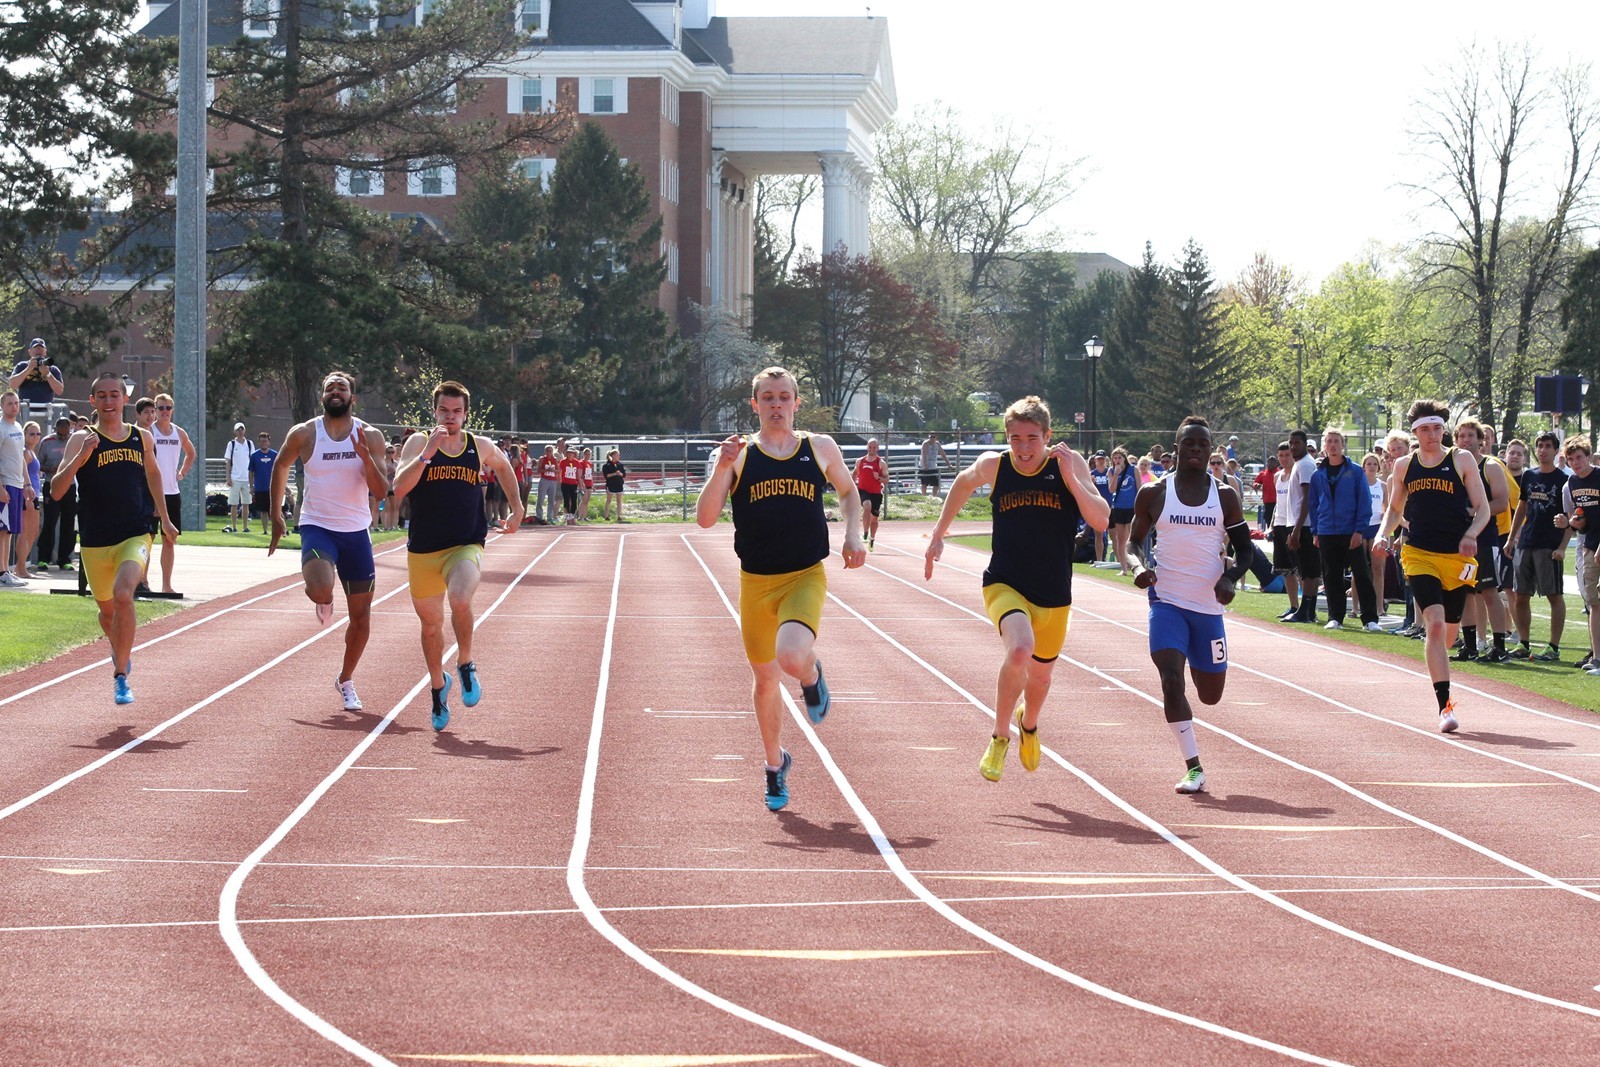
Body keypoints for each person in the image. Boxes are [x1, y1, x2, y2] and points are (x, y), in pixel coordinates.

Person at [695, 366, 866, 811]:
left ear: (796, 402)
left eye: (783, 397)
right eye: (767, 398)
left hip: (805, 574)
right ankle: (775, 766)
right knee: (765, 679)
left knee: (791, 656)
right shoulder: (738, 455)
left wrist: (853, 534)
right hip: (755, 582)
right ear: (754, 405)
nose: (776, 405)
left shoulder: (819, 448)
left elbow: (849, 494)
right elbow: (706, 518)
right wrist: (723, 469)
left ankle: (811, 675)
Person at [924, 396, 1109, 782]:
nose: (1024, 448)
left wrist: (1071, 478)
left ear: (1047, 436)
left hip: (1054, 592)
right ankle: (999, 735)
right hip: (1004, 582)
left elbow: (1101, 520)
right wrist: (939, 534)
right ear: (1006, 437)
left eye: (1032, 438)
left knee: (1040, 679)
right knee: (1020, 647)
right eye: (1016, 438)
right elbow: (962, 482)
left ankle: (1029, 722)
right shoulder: (997, 464)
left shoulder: (1068, 463)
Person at [1116, 416, 1257, 794]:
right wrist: (1138, 567)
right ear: (1175, 448)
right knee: (1170, 679)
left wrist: (1230, 577)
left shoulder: (1224, 495)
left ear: (1211, 451)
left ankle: (1201, 671)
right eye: (1189, 444)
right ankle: (1194, 767)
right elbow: (1133, 543)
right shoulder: (1155, 493)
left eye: (1203, 445)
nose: (1196, 449)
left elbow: (1246, 549)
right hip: (1167, 601)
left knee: (1210, 696)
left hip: (1208, 608)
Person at [393, 381, 524, 731]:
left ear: (465, 414)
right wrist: (426, 454)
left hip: (465, 543)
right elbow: (399, 487)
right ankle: (438, 686)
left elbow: (504, 466)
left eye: (456, 412)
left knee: (461, 598)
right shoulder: (419, 443)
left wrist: (517, 507)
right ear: (434, 411)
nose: (450, 418)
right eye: (443, 411)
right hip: (423, 549)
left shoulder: (477, 446)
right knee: (431, 627)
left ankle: (465, 662)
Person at [48, 373, 178, 703]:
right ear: (93, 401)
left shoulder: (142, 437)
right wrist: (80, 458)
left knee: (124, 594)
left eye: (114, 395)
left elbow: (153, 474)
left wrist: (164, 518)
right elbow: (57, 490)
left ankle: (120, 674)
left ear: (124, 400)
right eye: (102, 396)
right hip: (94, 538)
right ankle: (120, 650)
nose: (109, 401)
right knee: (107, 614)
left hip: (135, 532)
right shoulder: (82, 438)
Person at [267, 371, 391, 712]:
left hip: (355, 532)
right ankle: (322, 599)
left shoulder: (371, 435)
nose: (336, 392)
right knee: (322, 589)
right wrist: (277, 514)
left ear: (353, 397)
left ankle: (345, 680)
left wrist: (365, 457)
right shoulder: (306, 433)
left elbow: (381, 492)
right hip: (317, 526)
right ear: (322, 396)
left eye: (342, 388)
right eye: (329, 388)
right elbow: (280, 465)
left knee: (361, 619)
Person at [1372, 400, 1491, 733]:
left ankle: (1440, 664)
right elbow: (1395, 511)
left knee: (1448, 633)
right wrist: (1383, 535)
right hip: (1419, 553)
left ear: (1444, 429)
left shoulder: (1461, 459)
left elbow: (1482, 509)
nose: (1432, 435)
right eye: (1425, 429)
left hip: (1458, 557)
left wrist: (1470, 534)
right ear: (1415, 432)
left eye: (1437, 428)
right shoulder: (1404, 467)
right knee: (1435, 625)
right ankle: (1446, 708)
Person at [1305, 427, 1379, 631]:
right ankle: (1335, 616)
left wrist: (1359, 530)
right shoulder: (1318, 474)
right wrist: (1316, 531)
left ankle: (1370, 619)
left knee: (1362, 574)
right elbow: (1313, 504)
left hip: (1351, 531)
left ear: (1343, 444)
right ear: (1324, 446)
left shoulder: (1355, 471)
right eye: (1329, 441)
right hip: (1327, 531)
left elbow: (1364, 501)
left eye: (1337, 441)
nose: (1333, 445)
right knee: (1331, 576)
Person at [1451, 419, 1512, 663]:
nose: (1466, 440)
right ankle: (1470, 645)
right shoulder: (1453, 467)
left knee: (1488, 590)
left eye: (1470, 436)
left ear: (1480, 440)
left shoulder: (1491, 466)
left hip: (1484, 538)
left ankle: (1499, 646)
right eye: (1461, 436)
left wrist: (1472, 512)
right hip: (1457, 539)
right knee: (1463, 590)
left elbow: (1501, 502)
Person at [1507, 431, 1568, 662]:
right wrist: (1512, 538)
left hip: (1548, 544)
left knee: (1554, 595)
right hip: (1526, 542)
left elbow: (1570, 516)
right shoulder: (1529, 476)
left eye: (1548, 446)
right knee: (1521, 595)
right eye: (1540, 446)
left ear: (1555, 450)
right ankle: (1523, 642)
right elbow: (1522, 508)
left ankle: (1553, 646)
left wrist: (1562, 546)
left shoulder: (1563, 479)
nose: (1543, 450)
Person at [1556, 437, 1600, 672]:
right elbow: (1577, 521)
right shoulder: (1569, 484)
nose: (1575, 463)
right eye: (1571, 459)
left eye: (1579, 457)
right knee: (1593, 601)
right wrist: (1567, 522)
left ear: (1589, 456)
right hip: (1589, 544)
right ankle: (1597, 657)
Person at [148, 393, 195, 595]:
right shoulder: (149, 432)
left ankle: (166, 585)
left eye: (168, 408)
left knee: (169, 540)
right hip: (151, 493)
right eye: (160, 408)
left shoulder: (179, 433)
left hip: (172, 493)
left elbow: (191, 453)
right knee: (146, 539)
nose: (164, 412)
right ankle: (142, 582)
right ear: (155, 411)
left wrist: (182, 472)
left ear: (172, 410)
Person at [1284, 428, 1323, 623]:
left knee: (1308, 571)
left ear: (1305, 444)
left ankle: (1305, 610)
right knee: (1306, 569)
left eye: (1296, 443)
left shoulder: (1306, 465)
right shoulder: (1299, 464)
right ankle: (1310, 611)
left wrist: (1297, 529)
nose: (1292, 447)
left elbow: (1308, 498)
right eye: (1290, 443)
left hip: (1305, 525)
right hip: (1299, 524)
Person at [37, 416, 76, 571]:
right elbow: (38, 464)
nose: (63, 437)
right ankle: (43, 558)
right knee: (50, 521)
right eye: (60, 434)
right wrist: (49, 469)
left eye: (65, 434)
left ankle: (64, 558)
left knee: (68, 522)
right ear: (55, 430)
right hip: (51, 484)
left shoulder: (74, 440)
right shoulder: (47, 442)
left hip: (69, 485)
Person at [0, 390, 30, 584]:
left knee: (10, 530)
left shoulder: (18, 427)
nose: (14, 406)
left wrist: (27, 483)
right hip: (5, 483)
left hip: (17, 483)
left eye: (16, 403)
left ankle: (6, 571)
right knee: (2, 530)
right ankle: (1, 572)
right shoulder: (1, 428)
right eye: (10, 403)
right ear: (2, 406)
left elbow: (21, 458)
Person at [1270, 442, 1302, 619]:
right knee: (1285, 569)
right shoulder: (1277, 477)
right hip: (1280, 524)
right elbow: (1277, 503)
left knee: (1300, 568)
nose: (1284, 459)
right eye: (1281, 456)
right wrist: (1272, 524)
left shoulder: (1297, 473)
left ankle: (1306, 605)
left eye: (1287, 455)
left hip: (1294, 524)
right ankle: (1293, 605)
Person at [853, 438, 888, 549]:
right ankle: (865, 533)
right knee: (867, 506)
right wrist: (852, 486)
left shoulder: (881, 463)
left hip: (876, 493)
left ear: (877, 448)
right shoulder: (860, 461)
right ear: (867, 447)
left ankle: (872, 538)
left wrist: (879, 478)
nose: (872, 449)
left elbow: (886, 479)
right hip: (863, 490)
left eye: (874, 447)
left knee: (874, 519)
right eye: (870, 447)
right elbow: (855, 474)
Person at [1108, 448, 1138, 575]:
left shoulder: (1133, 469)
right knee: (1120, 539)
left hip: (1132, 507)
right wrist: (1116, 474)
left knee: (1133, 538)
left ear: (1124, 458)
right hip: (1119, 507)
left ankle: (1136, 566)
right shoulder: (1111, 471)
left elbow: (1139, 487)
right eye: (1115, 458)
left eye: (1119, 457)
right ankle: (1124, 568)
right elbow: (1111, 489)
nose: (1117, 460)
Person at [8, 338, 64, 406]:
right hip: (25, 409)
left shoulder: (53, 369)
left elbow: (59, 391)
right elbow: (12, 385)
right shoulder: (22, 366)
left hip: (46, 410)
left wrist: (48, 374)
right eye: (35, 347)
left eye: (41, 348)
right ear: (30, 351)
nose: (38, 350)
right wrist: (28, 369)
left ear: (45, 351)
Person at [222, 422, 252, 532]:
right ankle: (234, 526)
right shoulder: (232, 444)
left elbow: (252, 461)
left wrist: (252, 478)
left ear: (244, 430)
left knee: (246, 504)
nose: (240, 431)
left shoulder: (249, 444)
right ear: (235, 431)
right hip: (235, 478)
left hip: (246, 478)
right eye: (238, 430)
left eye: (242, 429)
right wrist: (228, 477)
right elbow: (228, 461)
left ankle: (245, 527)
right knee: (234, 504)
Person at [248, 431, 280, 529]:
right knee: (263, 511)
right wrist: (251, 486)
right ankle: (265, 530)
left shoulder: (274, 455)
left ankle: (279, 529)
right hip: (260, 487)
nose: (264, 443)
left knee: (275, 510)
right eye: (262, 441)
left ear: (269, 442)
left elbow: (279, 470)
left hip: (272, 487)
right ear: (259, 442)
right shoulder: (254, 456)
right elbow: (251, 472)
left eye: (265, 441)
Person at [534, 444, 560, 525]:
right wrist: (546, 470)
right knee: (541, 498)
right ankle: (539, 517)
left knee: (551, 500)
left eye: (550, 451)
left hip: (553, 480)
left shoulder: (555, 459)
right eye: (547, 451)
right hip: (544, 480)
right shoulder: (542, 459)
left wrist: (553, 471)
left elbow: (558, 470)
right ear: (545, 451)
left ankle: (550, 517)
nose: (549, 452)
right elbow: (538, 470)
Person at [601, 448, 628, 522]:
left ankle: (619, 516)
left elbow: (624, 474)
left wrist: (620, 474)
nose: (618, 456)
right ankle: (606, 516)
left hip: (619, 484)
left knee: (619, 501)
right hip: (611, 484)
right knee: (609, 500)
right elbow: (607, 475)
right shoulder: (607, 465)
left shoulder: (620, 464)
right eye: (617, 455)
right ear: (612, 456)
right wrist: (615, 473)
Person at [1254, 455, 1278, 532]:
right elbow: (1256, 482)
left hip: (1277, 502)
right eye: (1268, 462)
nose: (1270, 464)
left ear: (1275, 463)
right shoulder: (1263, 474)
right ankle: (1270, 533)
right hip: (1267, 502)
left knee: (1277, 520)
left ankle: (1276, 533)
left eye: (1272, 462)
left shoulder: (1279, 473)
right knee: (1268, 518)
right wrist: (1256, 485)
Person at [558, 445, 581, 525]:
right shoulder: (563, 462)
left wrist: (580, 484)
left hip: (573, 484)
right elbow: (560, 472)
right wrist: (560, 480)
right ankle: (568, 517)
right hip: (565, 483)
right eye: (569, 453)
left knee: (574, 501)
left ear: (574, 454)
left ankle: (571, 516)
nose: (570, 455)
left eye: (572, 453)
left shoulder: (577, 462)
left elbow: (578, 474)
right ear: (567, 454)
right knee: (566, 500)